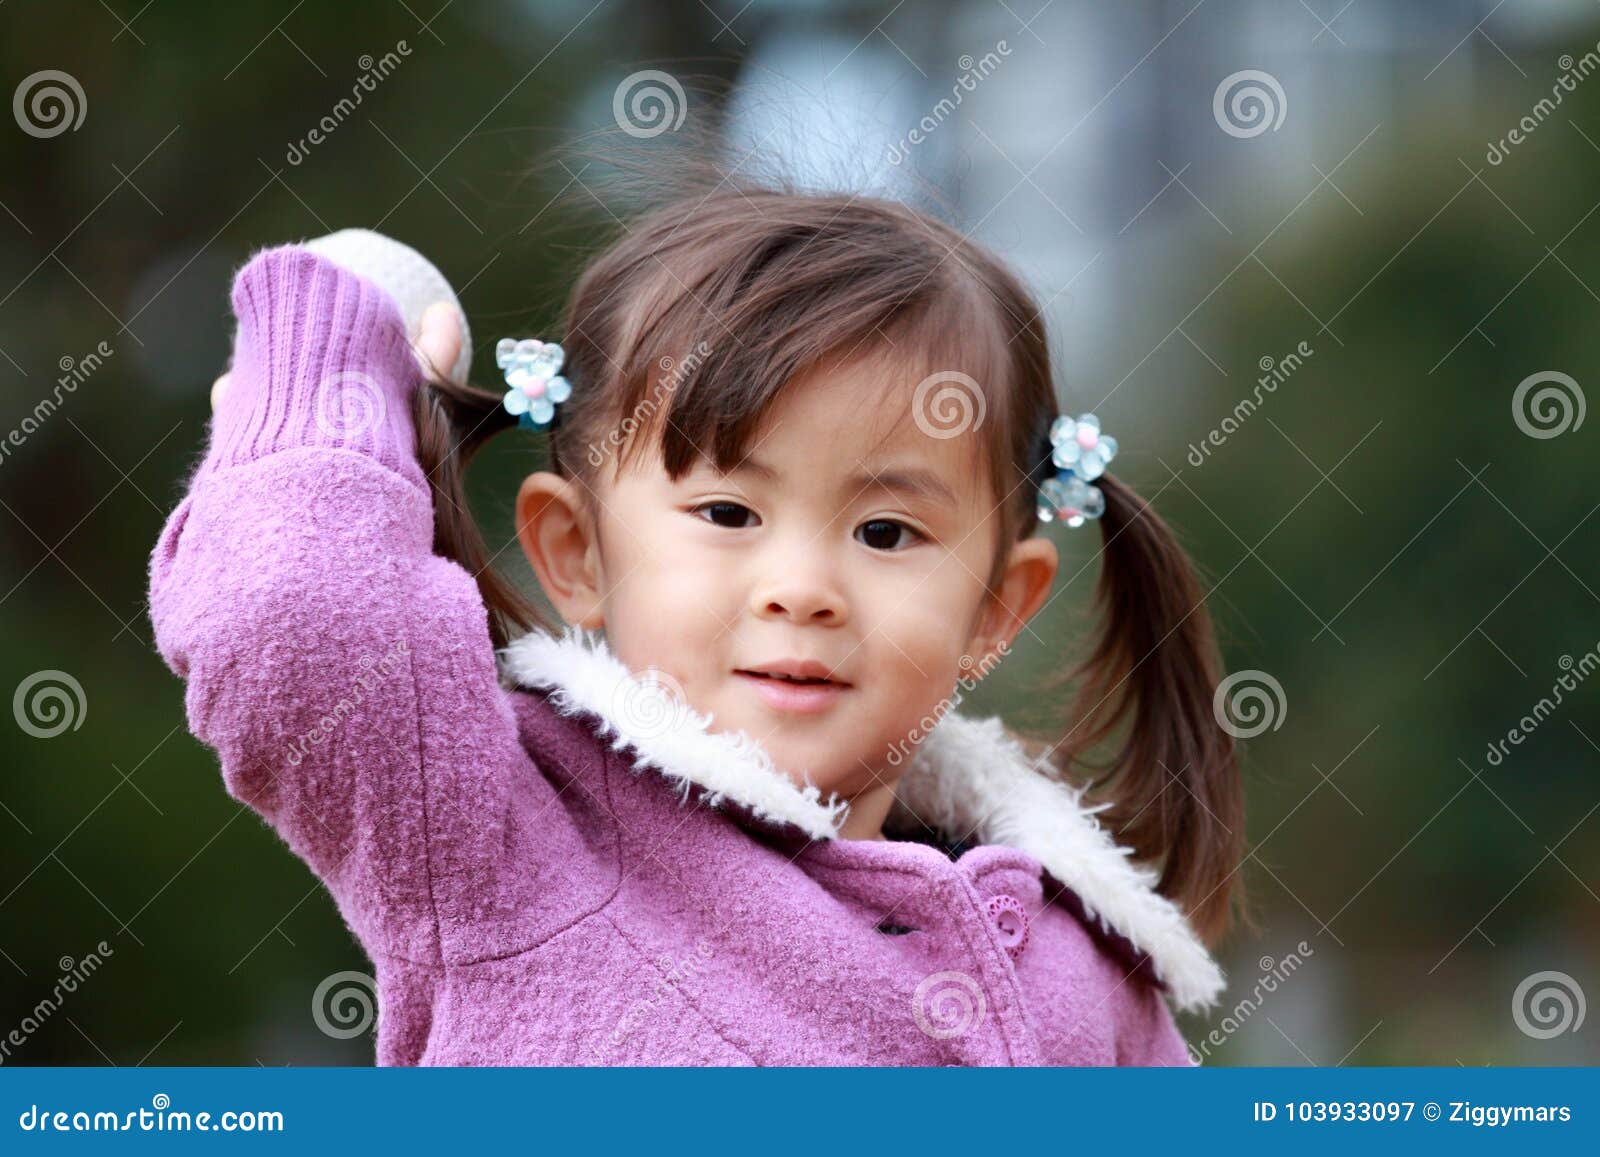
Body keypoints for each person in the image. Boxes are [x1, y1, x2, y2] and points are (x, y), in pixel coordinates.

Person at [149, 178, 1244, 1065]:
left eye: (886, 532)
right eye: (727, 511)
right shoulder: (501, 830)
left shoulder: (1081, 973)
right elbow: (293, 616)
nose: (802, 587)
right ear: (577, 553)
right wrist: (332, 342)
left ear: (994, 611)